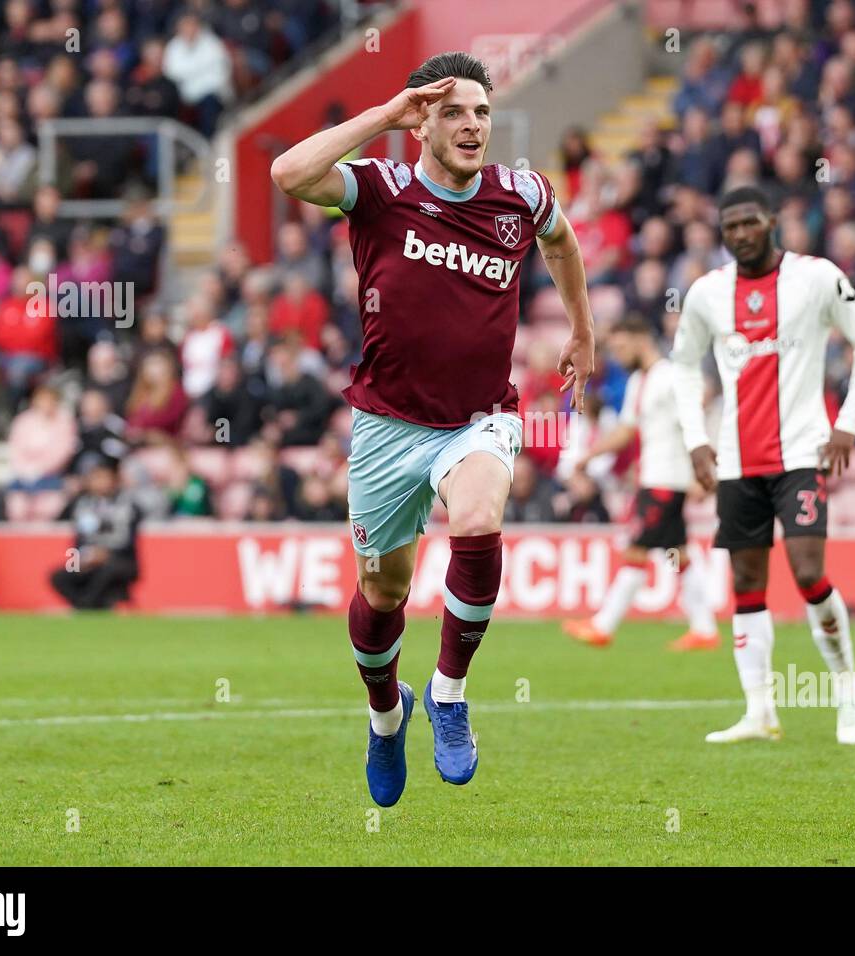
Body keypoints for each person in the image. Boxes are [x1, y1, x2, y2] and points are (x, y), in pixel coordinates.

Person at [270, 51, 594, 806]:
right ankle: (387, 719)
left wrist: (581, 331)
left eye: (481, 111)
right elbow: (289, 174)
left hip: (478, 416)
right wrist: (386, 113)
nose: (473, 125)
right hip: (386, 425)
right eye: (454, 112)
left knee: (479, 515)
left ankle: (448, 693)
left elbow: (563, 241)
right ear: (424, 122)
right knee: (383, 593)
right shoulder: (380, 189)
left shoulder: (520, 195)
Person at [671, 186, 855, 746]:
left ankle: (848, 690)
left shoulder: (815, 277)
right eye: (730, 226)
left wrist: (848, 425)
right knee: (746, 581)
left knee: (808, 569)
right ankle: (759, 712)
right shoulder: (706, 293)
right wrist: (696, 440)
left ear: (772, 222)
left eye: (749, 222)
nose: (740, 234)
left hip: (802, 453)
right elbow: (683, 365)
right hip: (737, 461)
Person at [563, 315, 718, 651]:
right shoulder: (639, 381)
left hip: (667, 481)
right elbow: (626, 430)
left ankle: (603, 626)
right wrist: (589, 456)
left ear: (640, 339)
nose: (617, 355)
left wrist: (704, 477)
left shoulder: (670, 377)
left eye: (620, 347)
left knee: (636, 549)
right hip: (656, 479)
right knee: (680, 553)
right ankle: (704, 629)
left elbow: (695, 424)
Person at [49, 456, 142, 610]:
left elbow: (127, 541)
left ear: (114, 479)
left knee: (107, 570)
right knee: (60, 575)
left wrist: (105, 554)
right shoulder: (81, 504)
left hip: (119, 559)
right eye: (94, 477)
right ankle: (86, 604)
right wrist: (82, 557)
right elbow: (77, 538)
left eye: (102, 477)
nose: (98, 482)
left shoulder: (127, 504)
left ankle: (86, 606)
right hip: (87, 558)